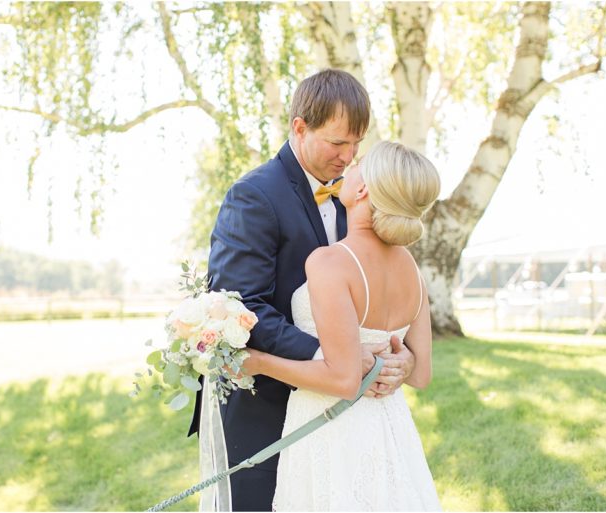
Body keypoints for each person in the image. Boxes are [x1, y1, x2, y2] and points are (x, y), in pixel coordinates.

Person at [188, 69, 416, 511]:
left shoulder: (358, 199)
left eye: (357, 143)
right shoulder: (253, 196)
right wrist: (332, 357)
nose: (349, 157)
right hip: (266, 404)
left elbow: (377, 293)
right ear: (299, 127)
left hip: (347, 418)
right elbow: (243, 308)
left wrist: (402, 354)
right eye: (337, 143)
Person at [243, 141, 442, 511]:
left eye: (358, 165)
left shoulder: (329, 262)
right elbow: (421, 375)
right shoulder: (413, 271)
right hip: (392, 430)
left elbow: (343, 380)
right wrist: (404, 363)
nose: (347, 167)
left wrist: (258, 362)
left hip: (332, 434)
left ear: (363, 188)